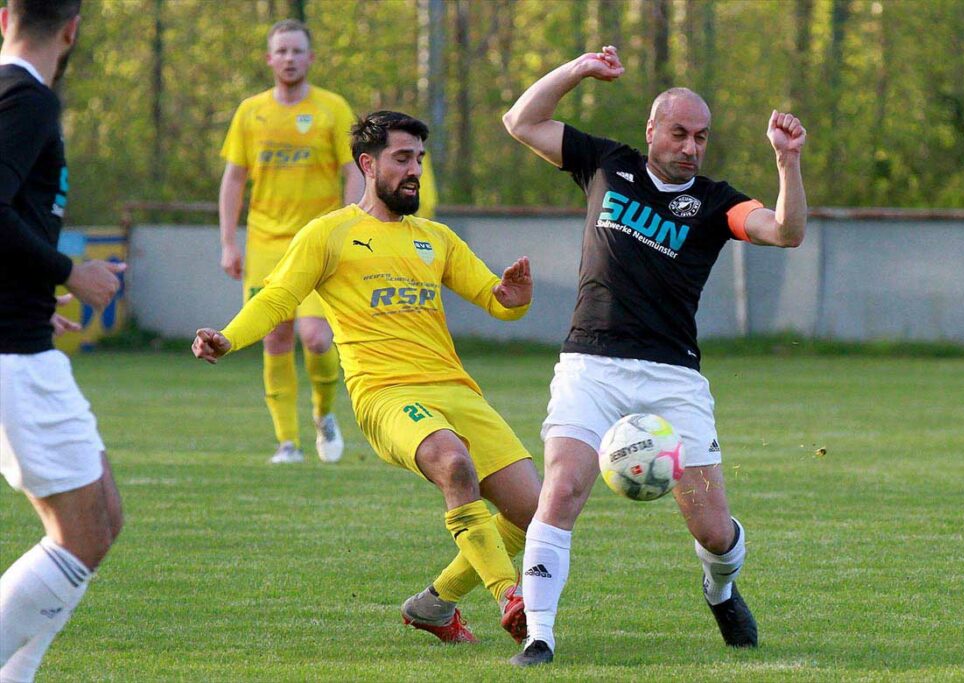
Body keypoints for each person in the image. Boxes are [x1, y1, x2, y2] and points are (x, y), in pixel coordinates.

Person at [502, 45, 807, 666]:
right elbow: (521, 121)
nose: (691, 146)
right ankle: (539, 636)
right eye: (679, 133)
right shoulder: (606, 164)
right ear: (651, 131)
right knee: (560, 490)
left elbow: (786, 230)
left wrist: (787, 161)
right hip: (591, 363)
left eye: (701, 137)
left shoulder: (718, 203)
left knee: (712, 531)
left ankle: (720, 589)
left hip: (672, 378)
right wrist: (579, 71)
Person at [194, 111, 542, 645]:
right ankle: (508, 594)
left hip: (454, 389)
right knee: (453, 462)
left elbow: (494, 299)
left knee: (533, 512)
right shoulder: (330, 233)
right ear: (367, 164)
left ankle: (434, 605)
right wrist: (229, 336)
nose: (414, 171)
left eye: (419, 160)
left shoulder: (436, 238)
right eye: (402, 159)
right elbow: (278, 298)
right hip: (385, 395)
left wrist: (512, 300)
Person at [0, 1, 127, 680]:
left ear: (3, 18)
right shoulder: (27, 98)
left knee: (103, 516)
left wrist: (35, 298)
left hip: (23, 340)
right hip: (12, 358)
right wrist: (70, 271)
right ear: (72, 30)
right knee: (81, 533)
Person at [219, 18, 364, 465]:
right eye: (281, 51)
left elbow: (354, 170)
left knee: (317, 337)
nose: (288, 58)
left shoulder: (333, 109)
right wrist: (228, 241)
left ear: (310, 58)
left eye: (296, 50)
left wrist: (349, 228)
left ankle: (323, 415)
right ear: (269, 59)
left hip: (318, 242)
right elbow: (234, 178)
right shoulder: (251, 112)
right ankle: (287, 442)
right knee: (275, 339)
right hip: (265, 243)